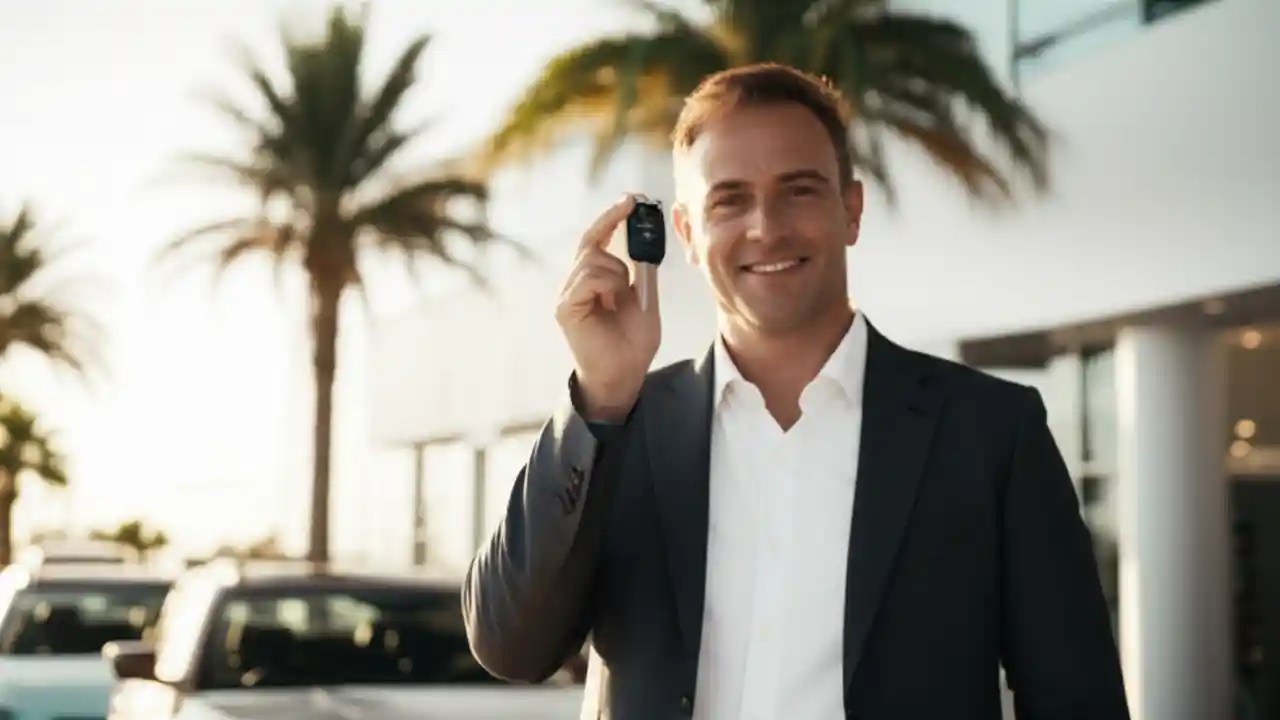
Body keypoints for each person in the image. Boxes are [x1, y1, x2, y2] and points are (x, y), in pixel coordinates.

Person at [462, 62, 1129, 720]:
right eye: (729, 199)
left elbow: (1078, 699)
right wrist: (600, 396)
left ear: (851, 210)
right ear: (688, 235)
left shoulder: (990, 433)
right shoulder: (620, 425)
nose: (766, 226)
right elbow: (510, 646)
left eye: (800, 190)